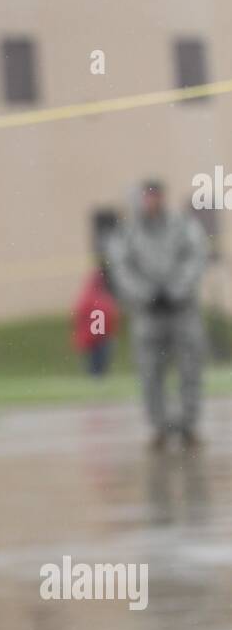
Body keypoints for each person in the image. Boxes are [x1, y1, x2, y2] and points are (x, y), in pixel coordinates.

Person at [107, 179, 208, 448]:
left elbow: (197, 256)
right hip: (148, 314)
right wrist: (147, 294)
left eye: (156, 196)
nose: (152, 201)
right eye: (147, 196)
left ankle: (188, 426)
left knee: (190, 368)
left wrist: (177, 289)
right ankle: (159, 427)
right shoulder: (128, 232)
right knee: (151, 372)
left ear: (163, 197)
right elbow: (121, 268)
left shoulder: (183, 225)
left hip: (181, 311)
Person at [71, 264, 119, 375]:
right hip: (96, 340)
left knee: (95, 367)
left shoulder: (90, 295)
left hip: (93, 338)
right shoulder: (99, 298)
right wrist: (99, 336)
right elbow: (100, 318)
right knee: (97, 368)